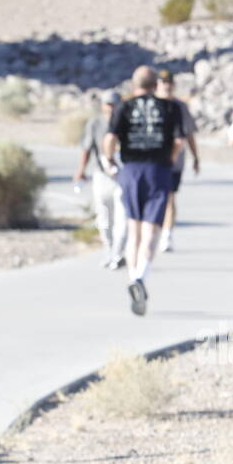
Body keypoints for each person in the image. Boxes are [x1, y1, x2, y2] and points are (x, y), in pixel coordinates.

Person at [102, 65, 184, 316]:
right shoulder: (169, 107)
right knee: (152, 230)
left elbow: (109, 140)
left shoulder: (124, 107)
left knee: (133, 227)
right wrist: (169, 159)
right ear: (155, 83)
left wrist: (111, 161)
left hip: (131, 170)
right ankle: (140, 276)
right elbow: (179, 141)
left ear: (134, 83)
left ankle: (131, 278)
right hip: (158, 170)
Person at [73, 89, 127, 269]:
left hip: (122, 175)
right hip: (101, 175)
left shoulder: (127, 123)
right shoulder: (95, 124)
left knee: (122, 217)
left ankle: (118, 254)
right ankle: (109, 250)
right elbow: (87, 148)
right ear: (103, 106)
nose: (111, 108)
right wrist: (81, 170)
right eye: (108, 104)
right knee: (104, 216)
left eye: (115, 105)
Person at [155, 68, 199, 252]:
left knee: (169, 197)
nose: (167, 85)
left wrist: (196, 157)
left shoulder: (180, 107)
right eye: (163, 82)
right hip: (153, 158)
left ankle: (166, 235)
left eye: (169, 82)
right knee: (155, 198)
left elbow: (188, 134)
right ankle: (154, 231)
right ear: (157, 84)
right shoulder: (151, 105)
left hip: (175, 161)